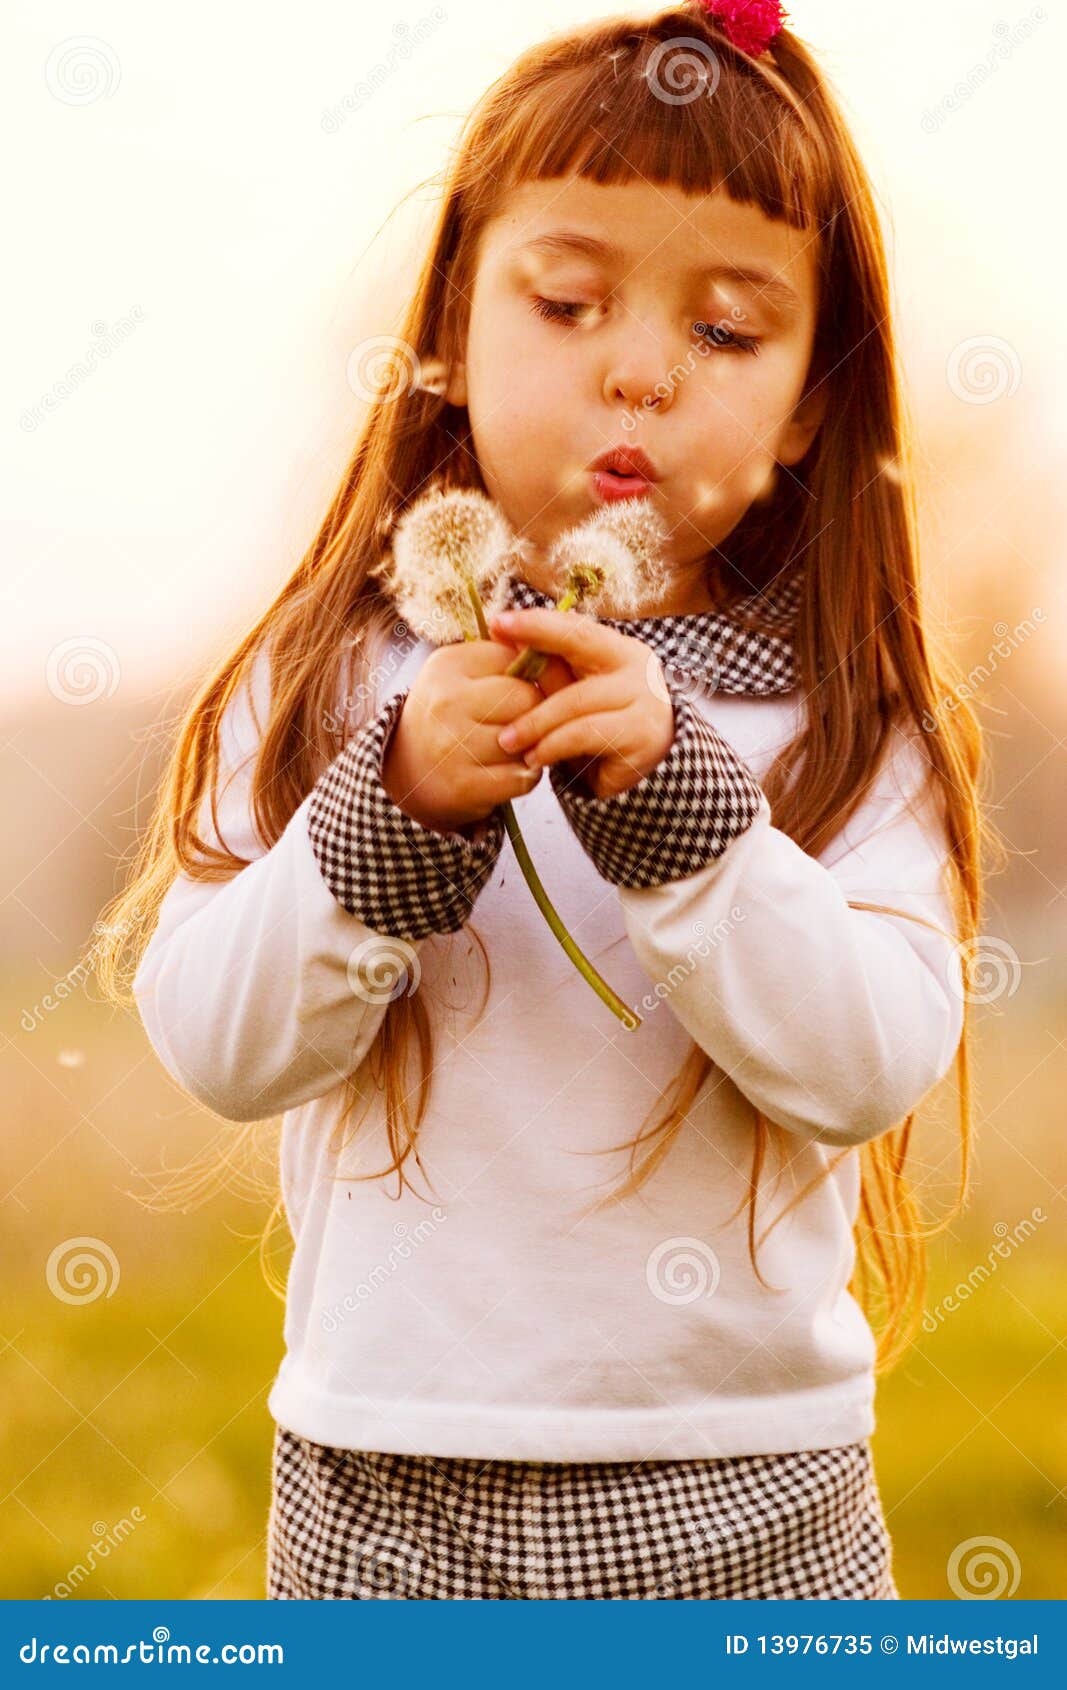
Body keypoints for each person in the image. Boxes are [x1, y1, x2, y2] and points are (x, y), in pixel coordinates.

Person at [95, 0, 989, 1599]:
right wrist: (397, 817)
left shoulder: (840, 718)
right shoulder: (331, 679)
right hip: (382, 1487)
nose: (640, 369)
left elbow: (869, 1061)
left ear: (802, 408)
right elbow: (223, 1047)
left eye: (727, 332)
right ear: (449, 324)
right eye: (569, 301)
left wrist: (685, 812)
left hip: (748, 1491)